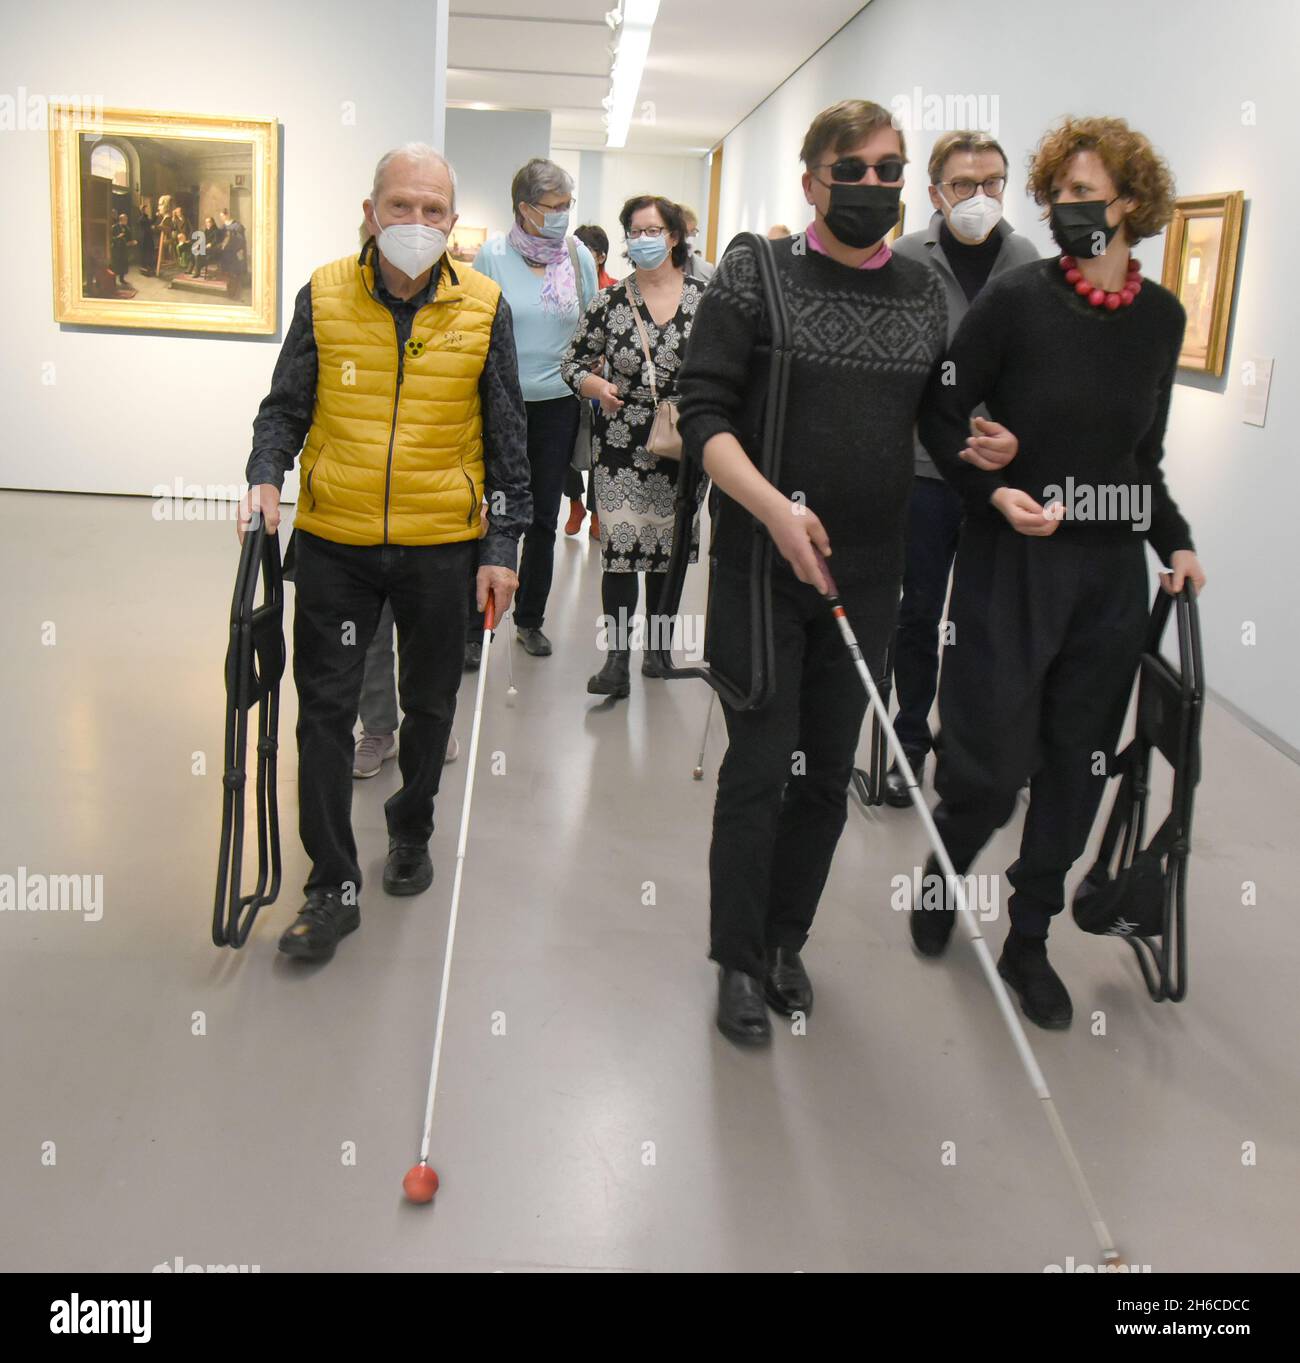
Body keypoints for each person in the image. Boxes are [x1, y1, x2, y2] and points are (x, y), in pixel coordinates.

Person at [913, 115, 1208, 1028]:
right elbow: (940, 409)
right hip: (1014, 563)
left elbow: (1142, 459)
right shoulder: (1021, 300)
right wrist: (987, 488)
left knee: (1077, 765)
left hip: (1109, 576)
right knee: (991, 767)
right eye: (1062, 195)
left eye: (1090, 195)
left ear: (1135, 203)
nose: (1071, 210)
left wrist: (1179, 540)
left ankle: (1029, 935)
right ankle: (949, 858)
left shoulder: (1160, 318)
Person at [676, 99, 953, 1045]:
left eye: (891, 169)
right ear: (812, 181)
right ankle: (738, 959)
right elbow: (704, 416)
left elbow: (939, 418)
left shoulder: (921, 291)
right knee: (760, 764)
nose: (875, 185)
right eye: (856, 168)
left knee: (825, 773)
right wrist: (774, 509)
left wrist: (987, 457)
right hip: (762, 558)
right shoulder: (758, 271)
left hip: (870, 572)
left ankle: (786, 937)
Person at [239, 142, 532, 965]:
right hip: (337, 540)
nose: (415, 222)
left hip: (443, 546)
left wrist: (502, 543)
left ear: (451, 220)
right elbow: (283, 409)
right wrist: (266, 475)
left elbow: (510, 443)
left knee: (430, 706)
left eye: (432, 209)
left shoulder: (483, 307)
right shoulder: (325, 294)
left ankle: (412, 829)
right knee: (326, 712)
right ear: (370, 213)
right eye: (399, 206)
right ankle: (331, 881)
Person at [884, 130, 1038, 805]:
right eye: (964, 185)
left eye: (993, 183)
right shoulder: (906, 258)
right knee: (918, 612)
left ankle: (966, 748)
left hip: (994, 475)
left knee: (981, 622)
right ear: (934, 192)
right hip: (920, 471)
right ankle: (908, 739)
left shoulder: (1025, 261)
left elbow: (1039, 372)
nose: (980, 198)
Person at [561, 195, 707, 699]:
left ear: (672, 236)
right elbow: (572, 364)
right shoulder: (609, 302)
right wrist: (596, 387)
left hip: (684, 443)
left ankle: (659, 653)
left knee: (666, 553)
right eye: (634, 231)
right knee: (620, 554)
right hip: (620, 442)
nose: (643, 239)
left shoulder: (704, 300)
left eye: (653, 230)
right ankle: (616, 660)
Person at [473, 158, 599, 657]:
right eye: (553, 207)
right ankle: (473, 622)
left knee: (544, 517)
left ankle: (530, 619)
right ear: (524, 208)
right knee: (490, 512)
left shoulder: (577, 256)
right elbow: (477, 328)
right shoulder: (493, 256)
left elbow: (592, 326)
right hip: (500, 403)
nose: (563, 215)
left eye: (568, 205)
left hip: (558, 406)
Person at [562, 223, 617, 539]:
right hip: (569, 380)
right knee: (568, 446)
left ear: (601, 256)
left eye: (587, 251)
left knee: (599, 449)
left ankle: (597, 514)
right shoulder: (562, 288)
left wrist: (604, 363)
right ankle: (574, 504)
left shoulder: (612, 289)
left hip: (602, 385)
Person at [679, 205, 715, 283]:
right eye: (685, 233)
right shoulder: (657, 265)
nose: (689, 238)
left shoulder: (708, 269)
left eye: (692, 231)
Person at [109, 213, 134, 286]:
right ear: (121, 220)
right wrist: (118, 237)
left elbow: (129, 237)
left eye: (127, 220)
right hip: (116, 249)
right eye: (125, 219)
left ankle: (122, 279)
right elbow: (111, 238)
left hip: (124, 249)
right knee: (116, 265)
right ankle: (113, 281)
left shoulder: (127, 228)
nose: (126, 221)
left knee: (123, 264)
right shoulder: (114, 227)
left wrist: (132, 242)